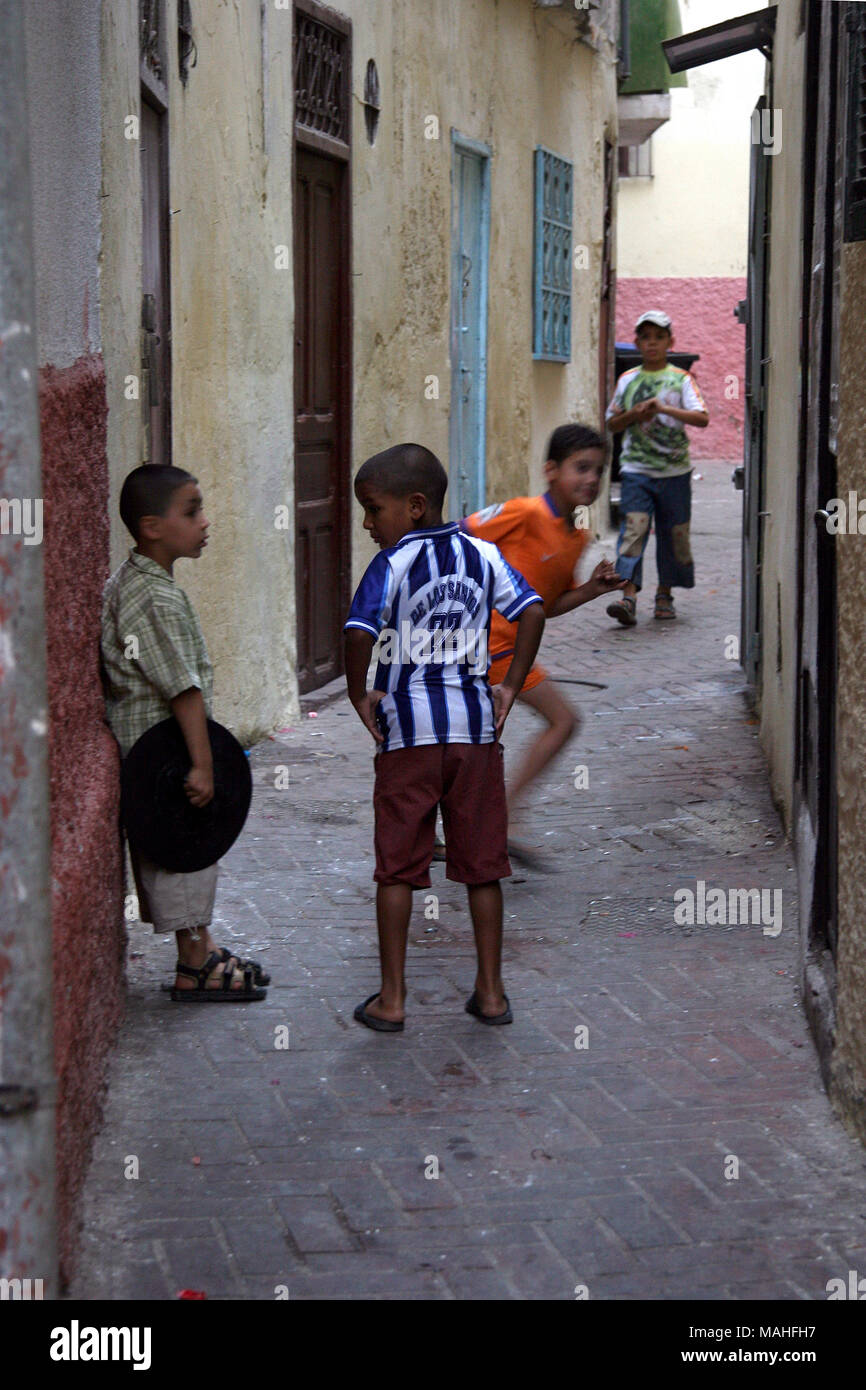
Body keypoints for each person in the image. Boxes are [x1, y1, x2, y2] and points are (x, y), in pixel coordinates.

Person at [344, 443, 545, 1031]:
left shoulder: (391, 565)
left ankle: (392, 998)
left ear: (412, 506)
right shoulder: (484, 554)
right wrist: (507, 687)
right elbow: (531, 611)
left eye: (372, 509)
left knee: (397, 869)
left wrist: (361, 693)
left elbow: (358, 632)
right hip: (476, 735)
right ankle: (490, 993)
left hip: (408, 737)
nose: (366, 523)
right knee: (484, 865)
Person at [100, 464, 267, 1001]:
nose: (204, 521)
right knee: (184, 850)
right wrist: (202, 762)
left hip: (158, 757)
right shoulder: (155, 598)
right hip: (167, 757)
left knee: (179, 851)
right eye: (191, 511)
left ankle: (201, 947)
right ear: (152, 527)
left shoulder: (139, 583)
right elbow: (183, 689)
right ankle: (194, 966)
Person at [458, 423, 624, 859]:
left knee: (488, 743)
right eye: (580, 468)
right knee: (558, 722)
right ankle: (493, 824)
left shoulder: (576, 536)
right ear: (551, 470)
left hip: (514, 655)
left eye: (599, 471)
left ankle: (486, 825)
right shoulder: (525, 512)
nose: (590, 479)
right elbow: (459, 535)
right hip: (488, 649)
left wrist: (591, 590)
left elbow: (547, 604)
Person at [604, 310, 709, 625]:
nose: (651, 344)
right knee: (633, 531)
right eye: (645, 338)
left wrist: (664, 408)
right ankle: (628, 596)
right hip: (636, 471)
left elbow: (702, 418)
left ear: (670, 342)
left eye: (658, 338)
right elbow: (612, 423)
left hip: (674, 473)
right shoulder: (627, 380)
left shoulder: (681, 379)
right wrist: (633, 414)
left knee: (673, 534)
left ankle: (665, 594)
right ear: (637, 342)